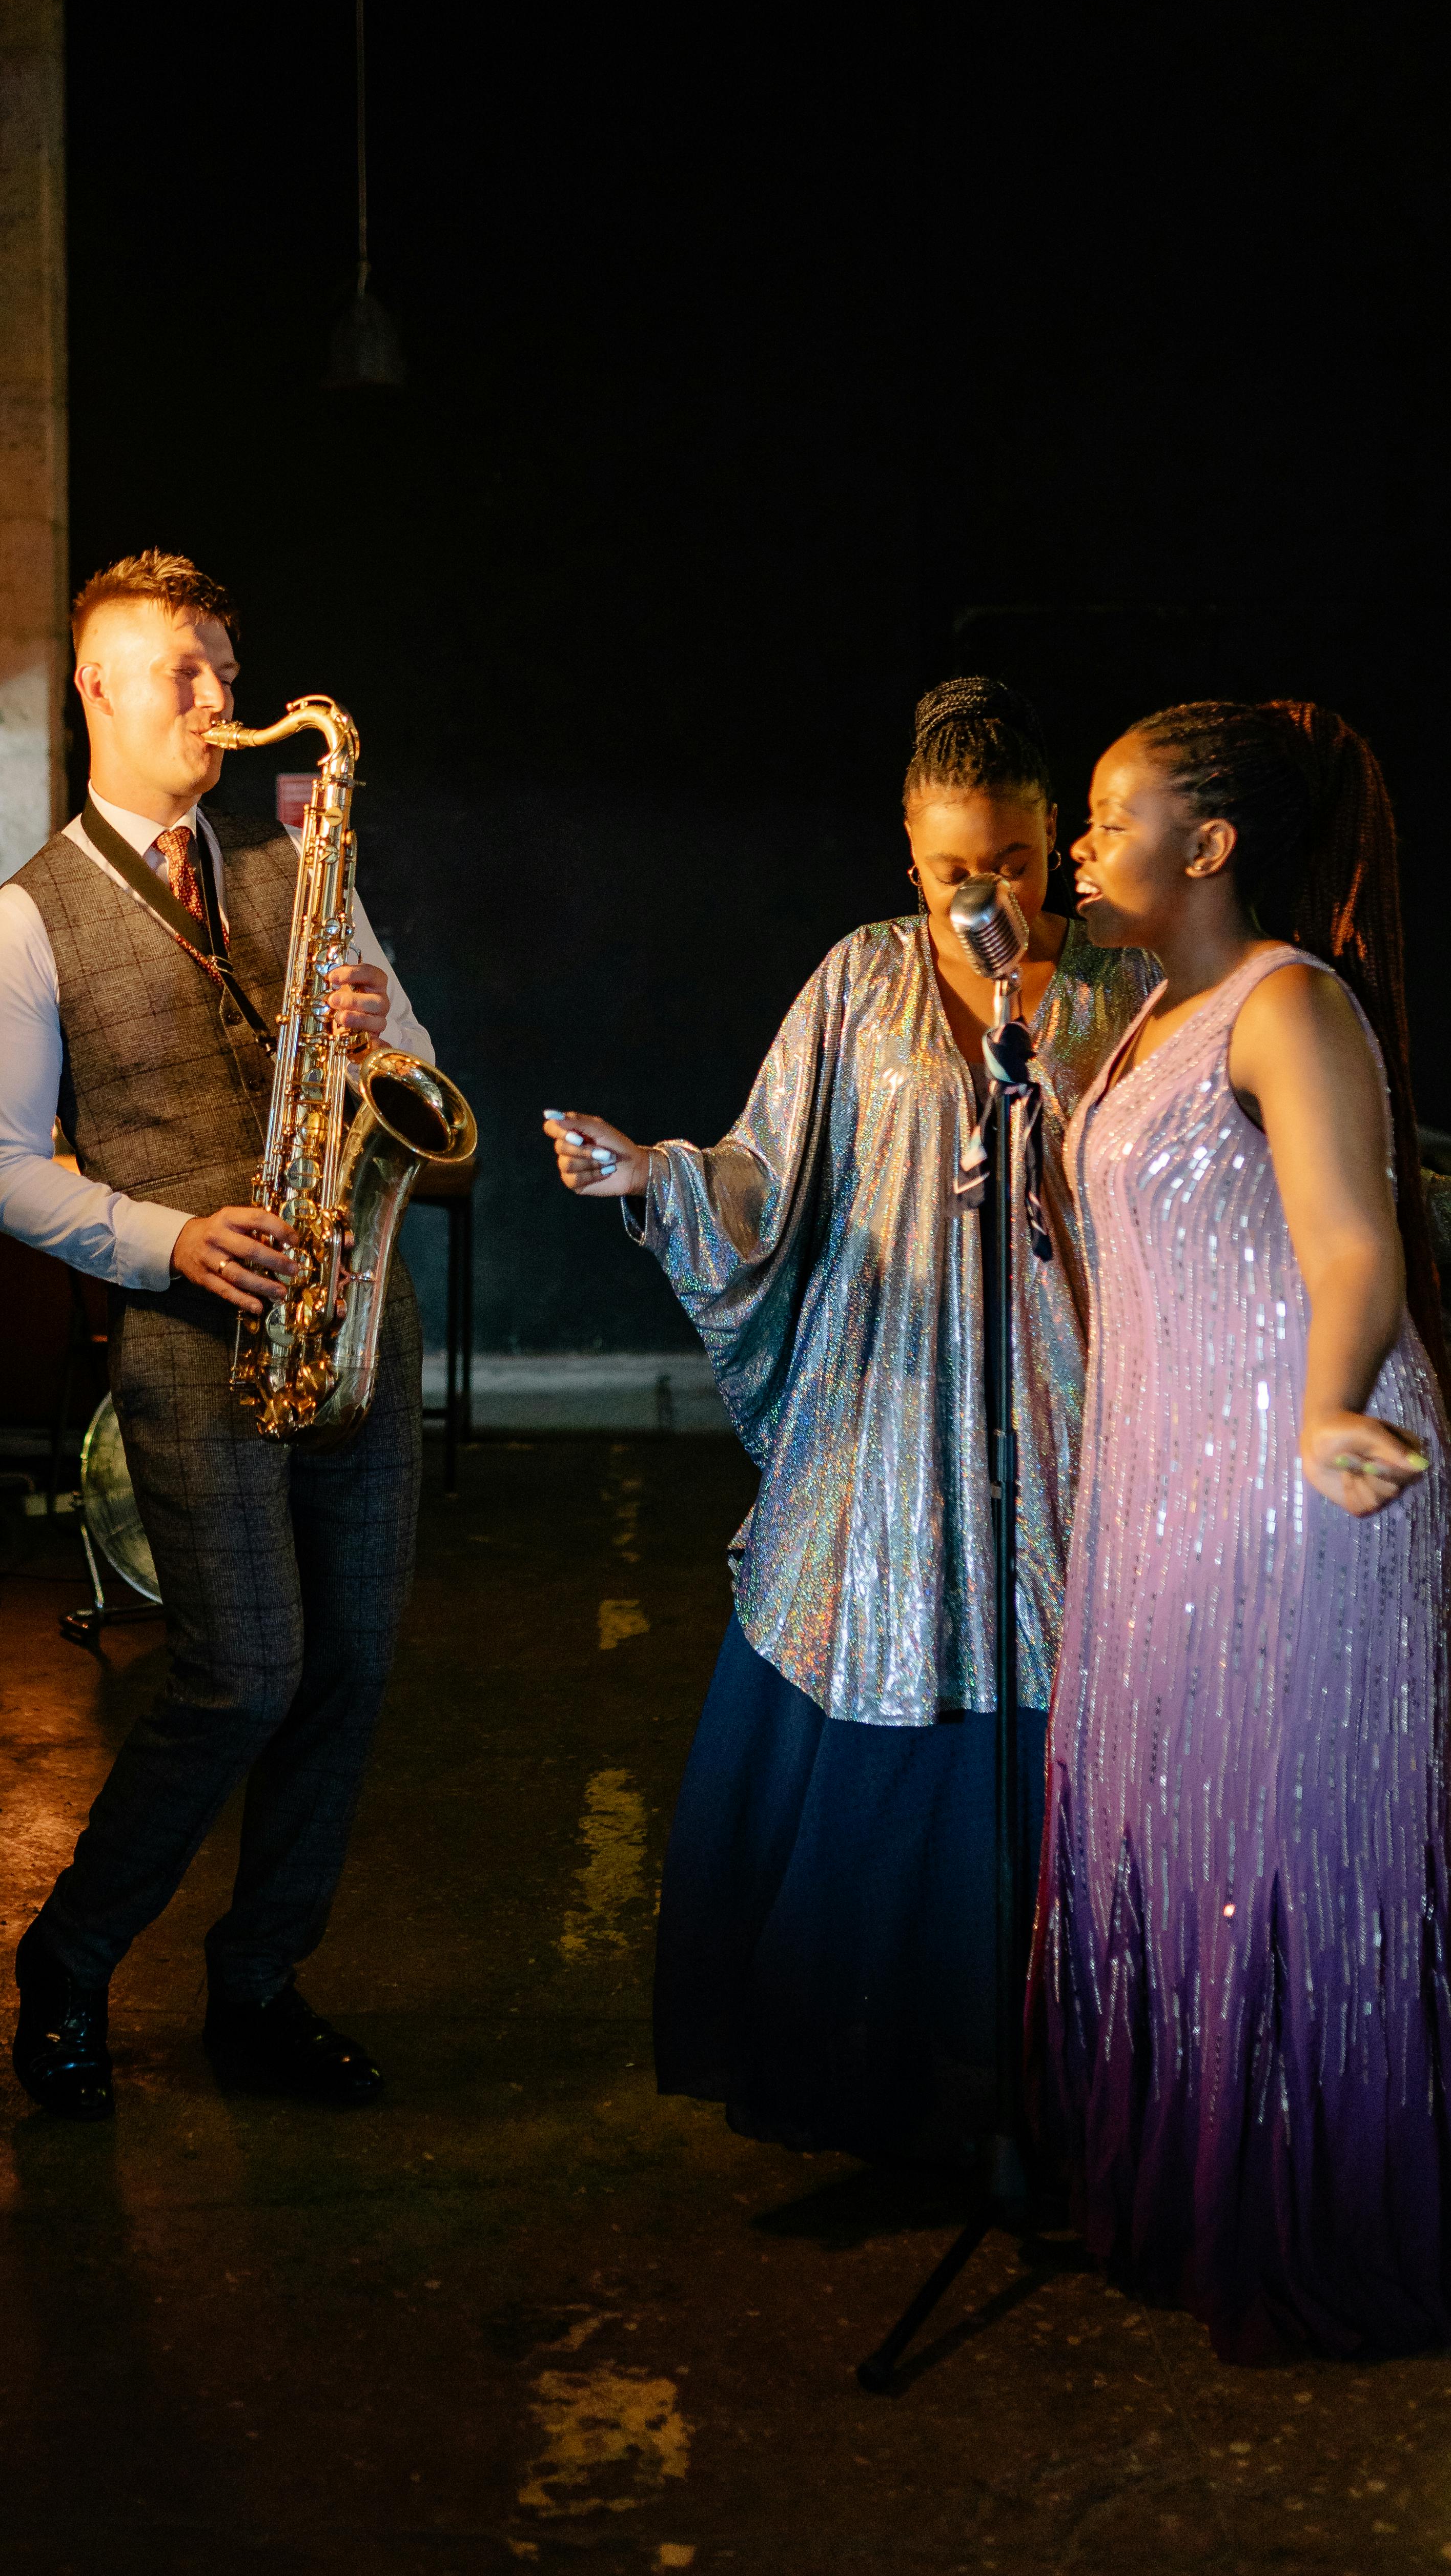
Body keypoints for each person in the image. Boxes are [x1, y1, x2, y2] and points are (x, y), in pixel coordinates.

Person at [543, 678, 1155, 2165]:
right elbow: (764, 1170)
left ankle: (1052, 2092)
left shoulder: (1123, 991)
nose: (979, 896)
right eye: (949, 870)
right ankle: (878, 2090)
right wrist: (658, 1179)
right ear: (907, 857)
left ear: (1054, 841)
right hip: (887, 1425)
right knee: (879, 1714)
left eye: (1008, 863)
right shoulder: (860, 980)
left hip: (1074, 1427)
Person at [0, 549, 433, 2120]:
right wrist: (168, 1239)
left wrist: (376, 1035)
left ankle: (260, 1986)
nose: (221, 700)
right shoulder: (24, 925)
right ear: (98, 688)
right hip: (193, 1346)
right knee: (243, 1675)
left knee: (348, 1675)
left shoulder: (306, 878)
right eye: (186, 672)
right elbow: (3, 1168)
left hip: (355, 1326)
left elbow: (425, 1076)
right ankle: (71, 1959)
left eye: (230, 668)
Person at [1031, 700, 1450, 2358]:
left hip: (1300, 1479)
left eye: (1107, 814)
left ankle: (1317, 2205)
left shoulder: (1290, 1003)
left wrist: (1334, 1405)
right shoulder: (1146, 1017)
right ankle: (1213, 2183)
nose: (1078, 842)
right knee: (1185, 1851)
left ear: (1207, 846)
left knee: (1287, 1859)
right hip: (1166, 1481)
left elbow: (1354, 1243)